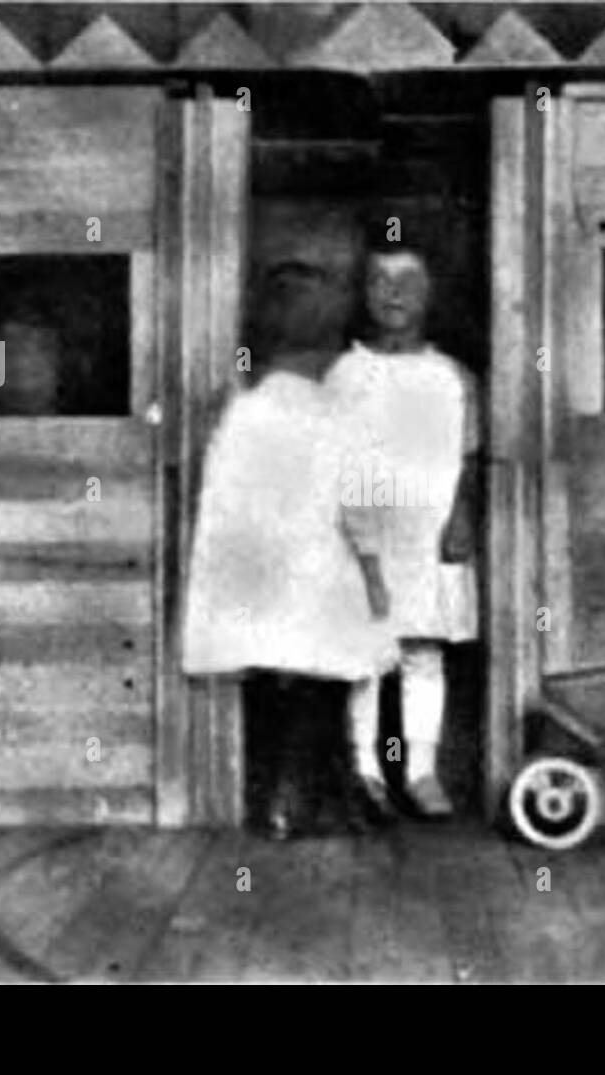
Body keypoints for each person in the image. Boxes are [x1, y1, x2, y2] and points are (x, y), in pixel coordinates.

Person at [181, 261, 398, 839]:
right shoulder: (336, 415)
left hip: (256, 578)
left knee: (273, 684)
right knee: (326, 677)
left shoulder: (241, 407)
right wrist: (375, 574)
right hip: (316, 577)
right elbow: (361, 508)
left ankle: (273, 802)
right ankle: (302, 801)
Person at [328, 240, 480, 819]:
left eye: (408, 281)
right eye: (380, 281)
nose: (394, 294)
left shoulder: (453, 376)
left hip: (429, 528)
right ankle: (365, 769)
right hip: (365, 532)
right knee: (366, 652)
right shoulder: (346, 373)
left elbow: (467, 457)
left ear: (430, 293)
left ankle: (419, 770)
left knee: (422, 648)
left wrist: (461, 514)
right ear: (363, 293)